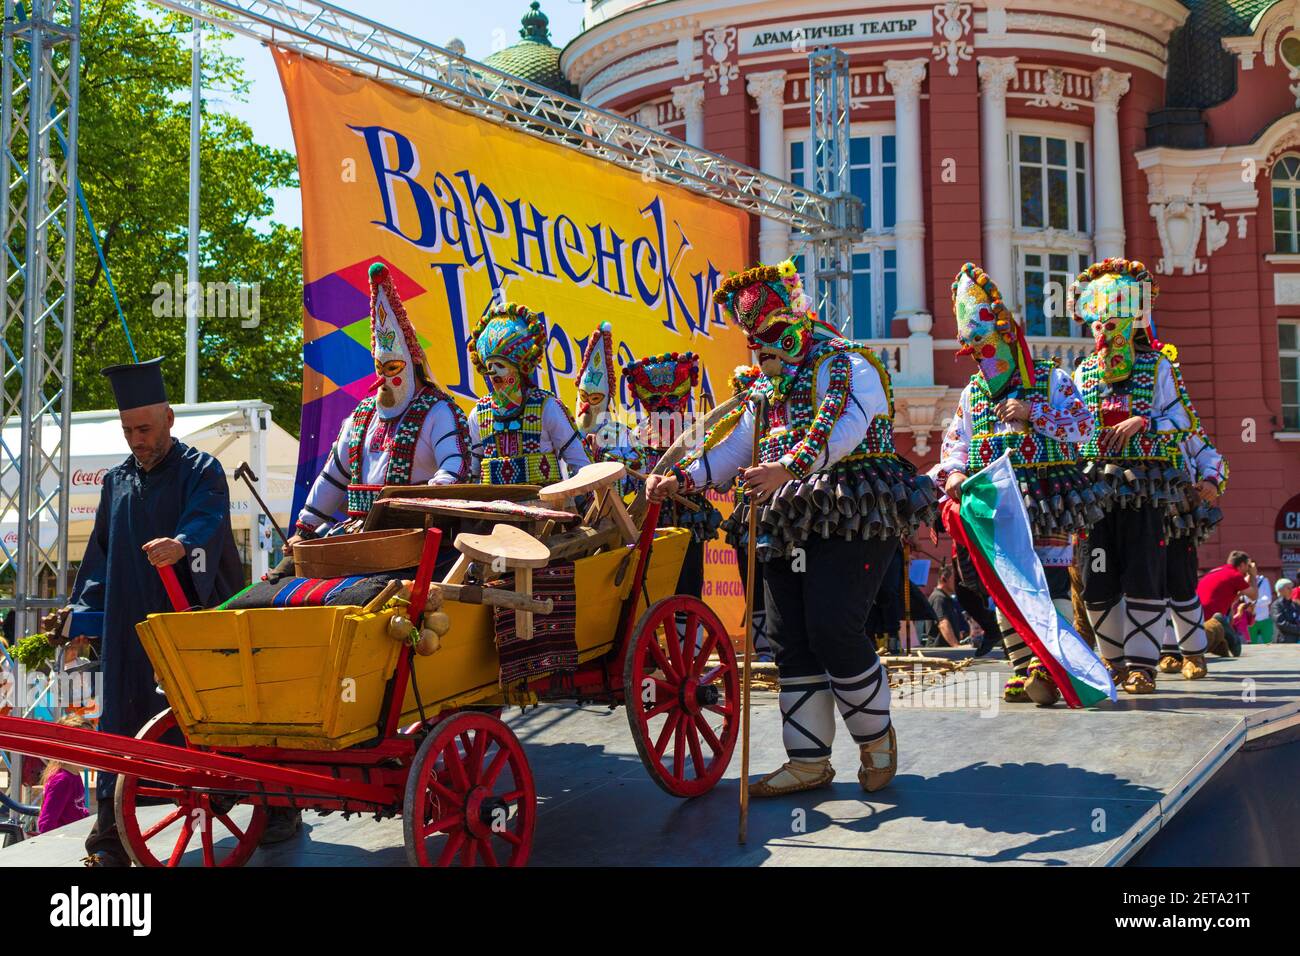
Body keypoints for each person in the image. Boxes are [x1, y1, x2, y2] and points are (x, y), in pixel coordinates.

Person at [646, 258, 936, 797]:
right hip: (781, 515)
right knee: (790, 639)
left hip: (851, 506)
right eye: (757, 343)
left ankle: (876, 740)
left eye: (774, 337)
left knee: (833, 627)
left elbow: (846, 425)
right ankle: (808, 761)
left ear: (797, 321)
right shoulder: (764, 387)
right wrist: (682, 478)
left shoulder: (848, 364)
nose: (766, 352)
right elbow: (735, 448)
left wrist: (790, 467)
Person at [41, 356, 244, 866]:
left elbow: (209, 519)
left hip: (188, 616)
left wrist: (182, 543)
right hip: (130, 626)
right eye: (129, 430)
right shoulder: (116, 481)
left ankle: (266, 796)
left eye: (146, 428)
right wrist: (81, 618)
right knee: (119, 727)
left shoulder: (203, 471)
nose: (138, 439)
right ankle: (108, 842)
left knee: (203, 721)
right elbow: (101, 557)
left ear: (169, 419)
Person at [938, 264, 1098, 704]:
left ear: (1007, 338)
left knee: (1049, 578)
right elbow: (955, 443)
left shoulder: (1051, 379)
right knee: (1003, 581)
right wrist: (952, 473)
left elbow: (1085, 428)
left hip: (1046, 495)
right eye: (973, 351)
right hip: (995, 502)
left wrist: (1035, 415)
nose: (981, 359)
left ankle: (1056, 665)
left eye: (986, 347)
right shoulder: (973, 393)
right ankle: (1024, 666)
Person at [1071, 258, 1197, 695]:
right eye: (1099, 318)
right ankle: (1114, 662)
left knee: (1143, 573)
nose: (1106, 327)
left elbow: (1184, 419)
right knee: (1096, 576)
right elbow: (1069, 426)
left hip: (1143, 487)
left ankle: (1142, 666)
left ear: (1134, 316)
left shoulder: (1159, 366)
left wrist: (1142, 422)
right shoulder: (1081, 372)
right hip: (1095, 491)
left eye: (1116, 316)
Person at [290, 262, 470, 543]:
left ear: (412, 365)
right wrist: (305, 530)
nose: (384, 378)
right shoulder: (361, 417)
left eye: (393, 368)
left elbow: (455, 465)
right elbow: (333, 477)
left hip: (418, 539)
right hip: (359, 535)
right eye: (379, 369)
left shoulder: (439, 411)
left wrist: (428, 498)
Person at [608, 351, 721, 597]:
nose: (665, 404)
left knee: (687, 587)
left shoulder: (696, 433)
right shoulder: (635, 436)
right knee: (649, 587)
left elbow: (720, 481)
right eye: (656, 398)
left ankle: (686, 632)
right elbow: (625, 484)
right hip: (649, 521)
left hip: (686, 520)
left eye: (672, 396)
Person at [1151, 338, 1226, 681]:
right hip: (1138, 508)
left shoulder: (1183, 427)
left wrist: (1210, 480)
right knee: (1149, 583)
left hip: (1178, 514)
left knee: (1179, 579)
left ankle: (1195, 651)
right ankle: (1165, 650)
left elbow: (1210, 456)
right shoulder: (1133, 427)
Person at [466, 301, 590, 483]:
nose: (493, 373)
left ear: (518, 369)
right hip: (495, 510)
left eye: (501, 366)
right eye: (489, 366)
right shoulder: (479, 413)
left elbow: (580, 462)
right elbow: (472, 471)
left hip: (546, 507)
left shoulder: (546, 406)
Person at [37, 715, 90, 834]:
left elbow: (78, 809)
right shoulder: (62, 780)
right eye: (84, 745)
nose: (91, 750)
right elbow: (46, 824)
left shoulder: (74, 774)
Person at [572, 321, 617, 457]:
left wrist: (601, 454)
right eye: (584, 397)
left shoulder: (619, 433)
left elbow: (639, 465)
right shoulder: (565, 431)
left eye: (595, 399)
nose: (586, 405)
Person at [1197, 551, 1257, 621]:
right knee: (1237, 632)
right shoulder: (1235, 575)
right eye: (1248, 565)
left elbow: (1228, 600)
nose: (1248, 569)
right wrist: (1252, 575)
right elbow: (1254, 596)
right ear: (1242, 565)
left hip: (1197, 615)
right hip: (1211, 619)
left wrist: (1241, 591)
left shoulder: (1215, 571)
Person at [928, 564, 965, 649]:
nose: (958, 583)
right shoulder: (938, 598)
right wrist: (956, 646)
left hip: (947, 650)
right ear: (944, 579)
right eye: (955, 579)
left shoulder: (947, 598)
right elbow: (943, 624)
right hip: (939, 651)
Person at [1273, 579, 1300, 643]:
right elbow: (1281, 624)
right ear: (1280, 590)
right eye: (1288, 588)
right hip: (1283, 642)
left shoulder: (1295, 604)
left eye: (1292, 588)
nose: (1291, 590)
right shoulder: (1276, 605)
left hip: (1296, 641)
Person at [1250, 573, 1274, 644]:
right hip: (1249, 621)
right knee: (1251, 647)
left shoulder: (1263, 580)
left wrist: (1254, 603)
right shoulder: (1243, 580)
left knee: (1268, 645)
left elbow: (1268, 599)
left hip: (1264, 619)